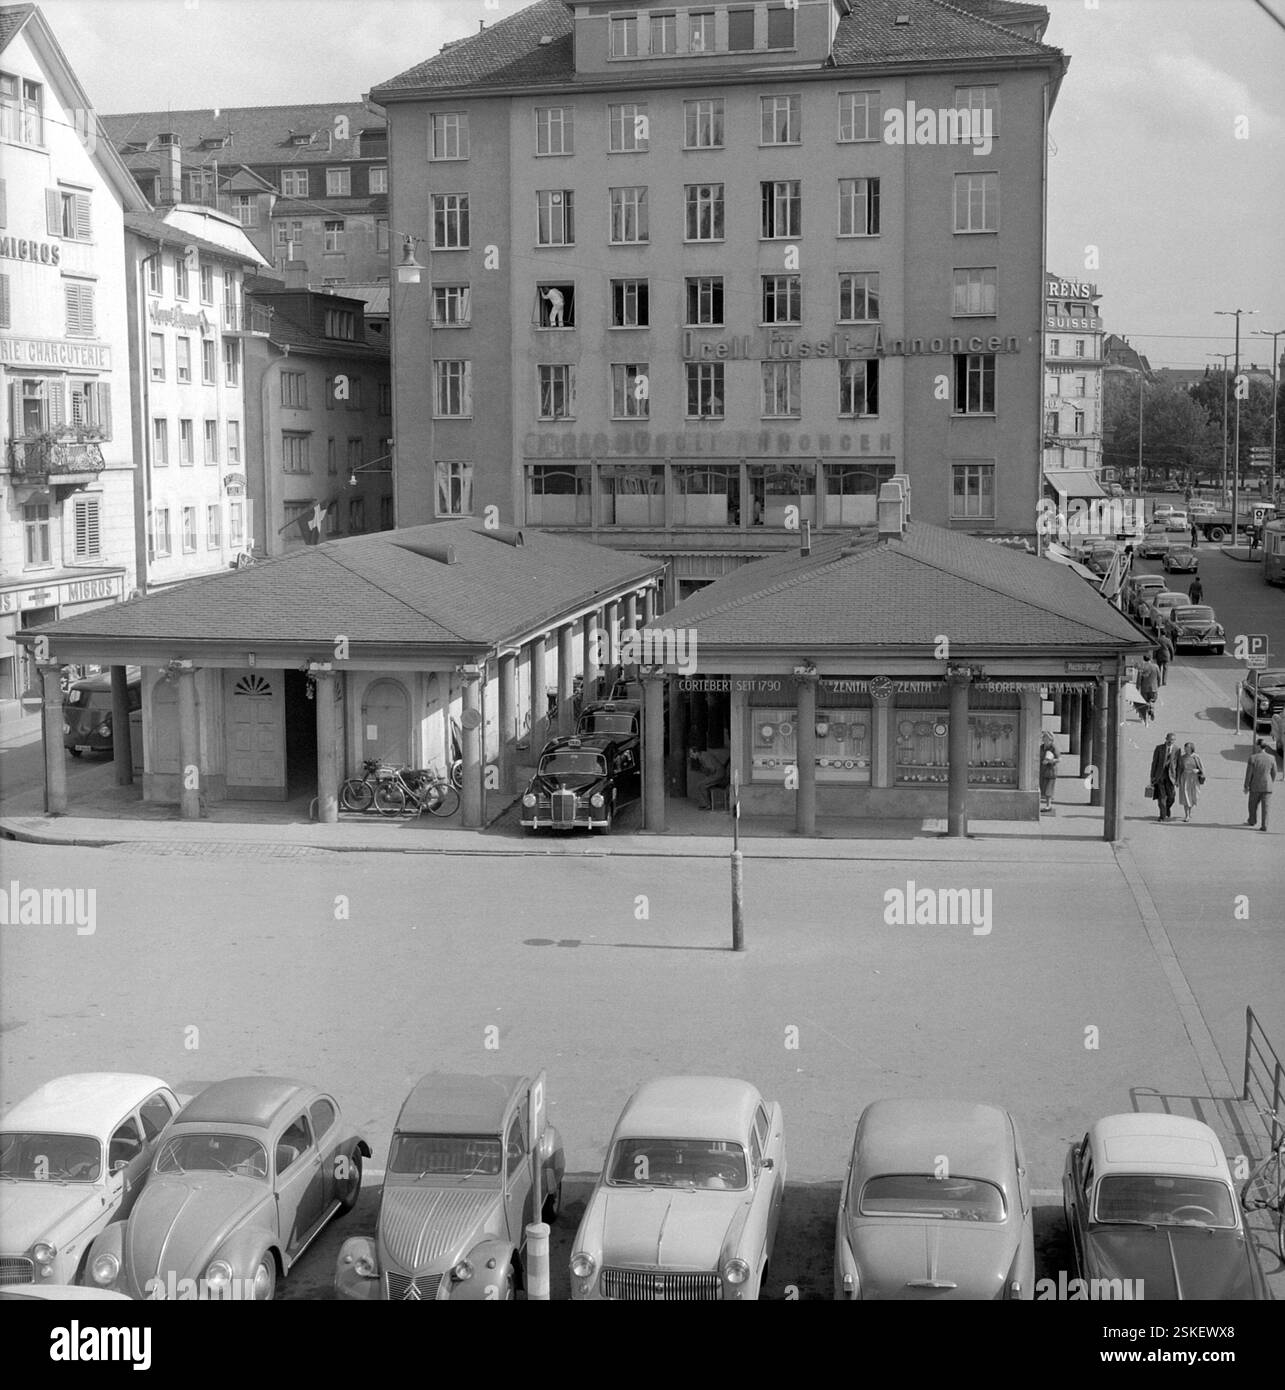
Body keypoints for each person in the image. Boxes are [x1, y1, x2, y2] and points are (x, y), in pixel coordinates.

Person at [1243, 738, 1277, 831]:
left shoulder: (1253, 758)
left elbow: (1249, 774)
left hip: (1255, 786)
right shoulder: (1272, 758)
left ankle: (1252, 820)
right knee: (1266, 807)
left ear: (1258, 746)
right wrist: (1270, 781)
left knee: (1252, 805)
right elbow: (1274, 772)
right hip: (1267, 787)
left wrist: (1246, 786)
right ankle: (1264, 825)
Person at [1149, 731, 1179, 821]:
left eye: (1172, 740)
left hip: (1171, 777)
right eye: (1169, 740)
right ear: (1165, 739)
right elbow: (1154, 763)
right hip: (1160, 776)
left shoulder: (1177, 750)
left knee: (1171, 797)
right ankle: (1162, 816)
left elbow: (1178, 765)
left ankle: (1167, 808)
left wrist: (1177, 779)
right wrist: (1152, 776)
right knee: (1161, 798)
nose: (1170, 742)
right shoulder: (1159, 748)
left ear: (1175, 741)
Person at [694, 743, 731, 810]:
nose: (691, 756)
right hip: (717, 774)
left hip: (718, 774)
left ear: (696, 752)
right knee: (703, 785)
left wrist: (707, 773)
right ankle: (706, 803)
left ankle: (707, 804)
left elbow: (712, 769)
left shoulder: (704, 756)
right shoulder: (702, 756)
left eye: (692, 754)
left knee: (701, 785)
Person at [1177, 741, 1205, 822]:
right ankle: (1187, 815)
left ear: (1192, 749)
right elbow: (1179, 769)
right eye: (1185, 749)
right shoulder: (1182, 758)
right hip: (1185, 778)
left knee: (1193, 796)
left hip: (1194, 778)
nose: (1186, 750)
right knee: (1186, 797)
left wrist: (1198, 771)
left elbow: (1202, 769)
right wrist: (1177, 780)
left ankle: (1190, 811)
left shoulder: (1196, 757)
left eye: (1188, 749)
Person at [1136, 654, 1160, 721]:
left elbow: (1139, 679)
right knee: (1152, 700)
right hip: (1154, 688)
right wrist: (1158, 685)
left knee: (1145, 702)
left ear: (1143, 659)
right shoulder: (1156, 666)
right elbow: (1159, 677)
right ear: (1151, 659)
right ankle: (1151, 709)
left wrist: (1137, 688)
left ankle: (1146, 715)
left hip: (1144, 689)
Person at [1039, 742, 1059, 814]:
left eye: (1047, 738)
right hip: (1042, 770)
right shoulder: (1041, 747)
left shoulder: (1053, 748)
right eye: (1044, 738)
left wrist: (1050, 761)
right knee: (1042, 787)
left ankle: (1048, 805)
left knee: (1049, 789)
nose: (1045, 740)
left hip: (1051, 771)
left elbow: (1059, 759)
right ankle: (1045, 804)